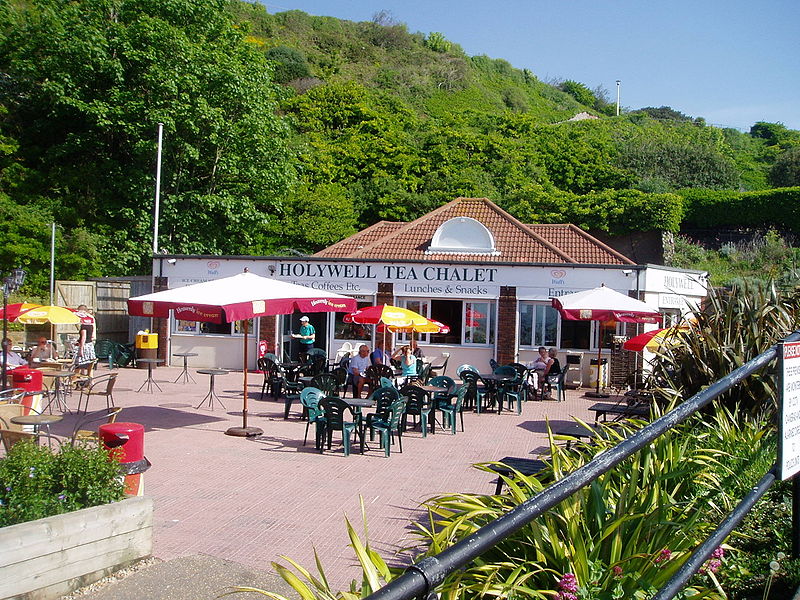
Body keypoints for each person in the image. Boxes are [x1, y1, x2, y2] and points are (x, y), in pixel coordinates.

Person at [73, 305, 97, 374]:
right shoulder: (91, 320)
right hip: (90, 345)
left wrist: (81, 349)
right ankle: (89, 378)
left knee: (79, 364)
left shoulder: (84, 325)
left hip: (85, 345)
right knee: (90, 364)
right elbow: (92, 335)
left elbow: (84, 337)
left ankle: (75, 378)